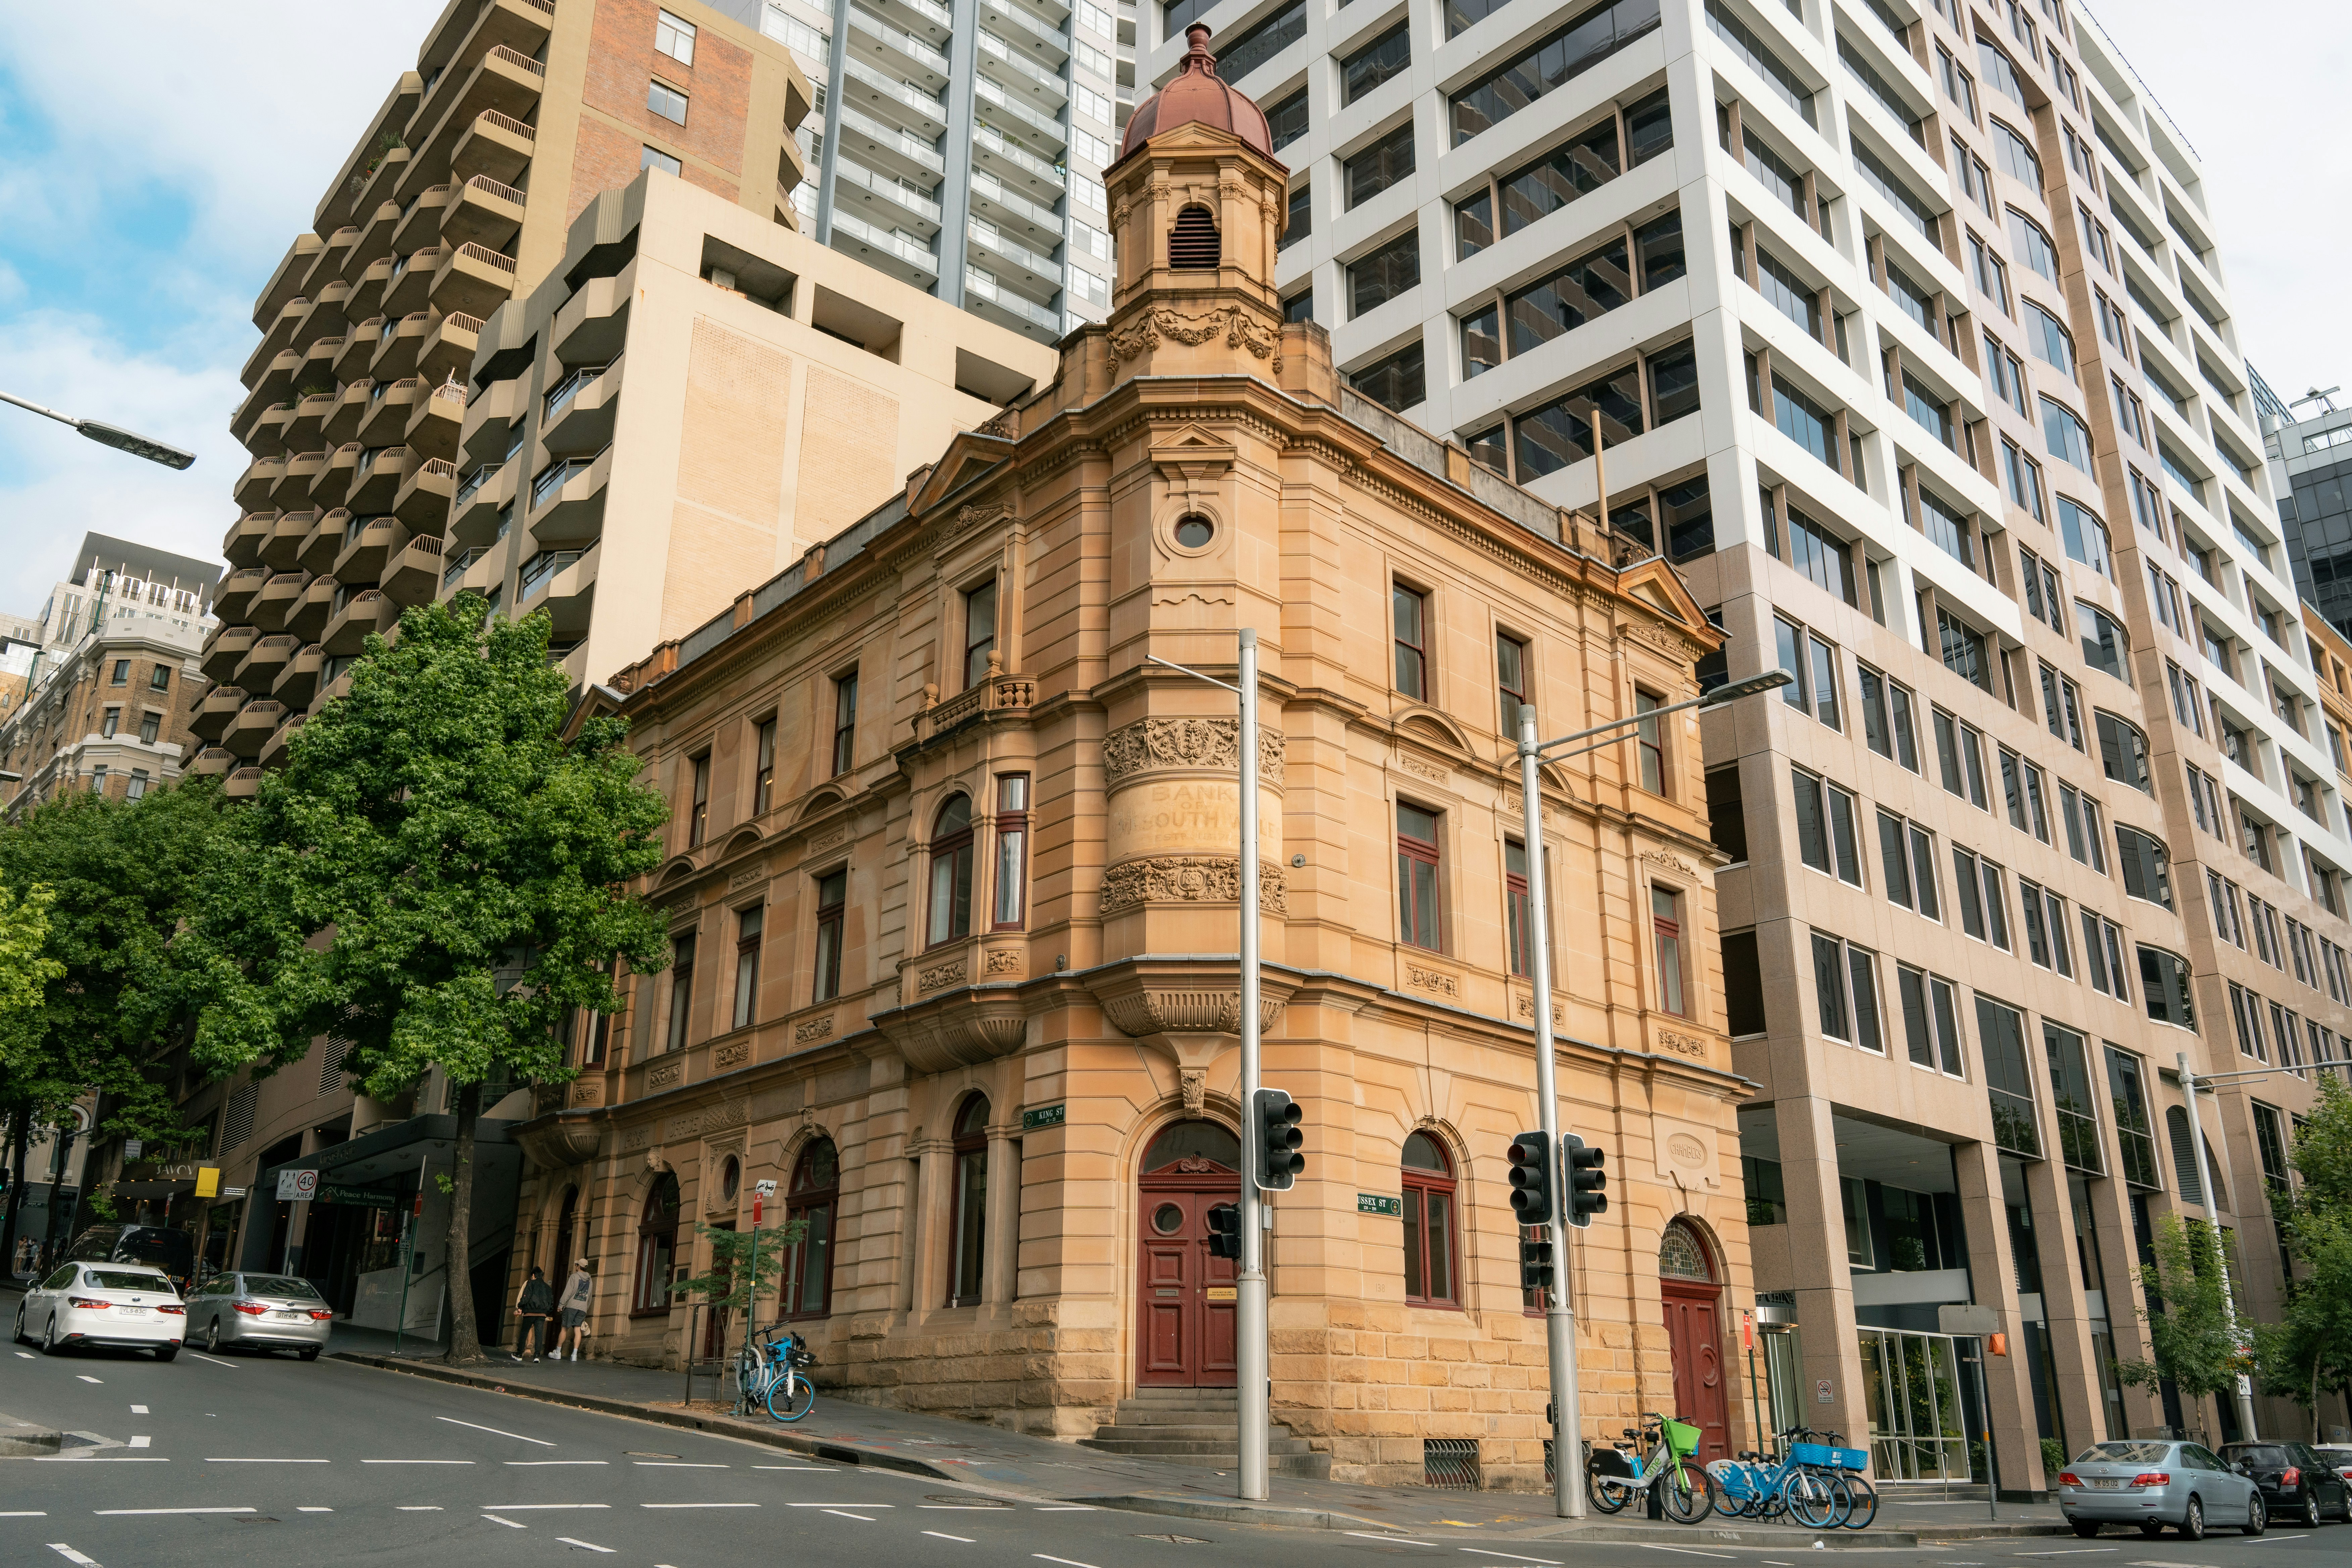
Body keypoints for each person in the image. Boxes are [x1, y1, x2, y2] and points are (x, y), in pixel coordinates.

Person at [554, 1257, 594, 1361]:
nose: (575, 1266)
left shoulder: (574, 1277)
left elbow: (568, 1292)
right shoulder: (590, 1280)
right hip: (583, 1308)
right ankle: (575, 1355)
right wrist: (586, 1308)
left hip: (572, 1307)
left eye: (576, 1265)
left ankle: (558, 1352)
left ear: (578, 1267)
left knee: (564, 1328)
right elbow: (590, 1296)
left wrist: (561, 1305)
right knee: (577, 1330)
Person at [512, 1265, 554, 1362]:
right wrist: (548, 1312)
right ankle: (537, 1356)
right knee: (539, 1334)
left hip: (530, 1312)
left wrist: (520, 1307)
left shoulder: (531, 1284)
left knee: (524, 1332)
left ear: (534, 1275)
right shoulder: (547, 1287)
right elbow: (551, 1301)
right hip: (542, 1314)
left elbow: (526, 1297)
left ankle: (519, 1354)